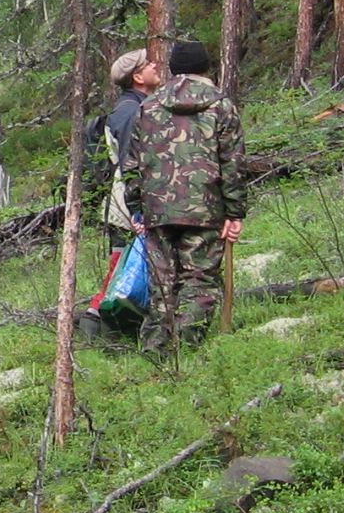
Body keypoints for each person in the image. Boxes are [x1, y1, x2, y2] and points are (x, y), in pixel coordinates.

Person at [122, 41, 246, 353]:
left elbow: (132, 164)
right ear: (206, 67)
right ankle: (186, 348)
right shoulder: (221, 105)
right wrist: (234, 212)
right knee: (199, 278)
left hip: (158, 209)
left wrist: (137, 209)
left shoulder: (148, 107)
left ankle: (156, 349)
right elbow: (232, 163)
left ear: (173, 69)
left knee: (162, 281)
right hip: (205, 208)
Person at [93, 48, 164, 252]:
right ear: (138, 77)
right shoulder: (131, 113)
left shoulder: (132, 107)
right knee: (126, 271)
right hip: (129, 217)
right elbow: (130, 163)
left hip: (131, 210)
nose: (154, 65)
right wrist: (137, 212)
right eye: (147, 64)